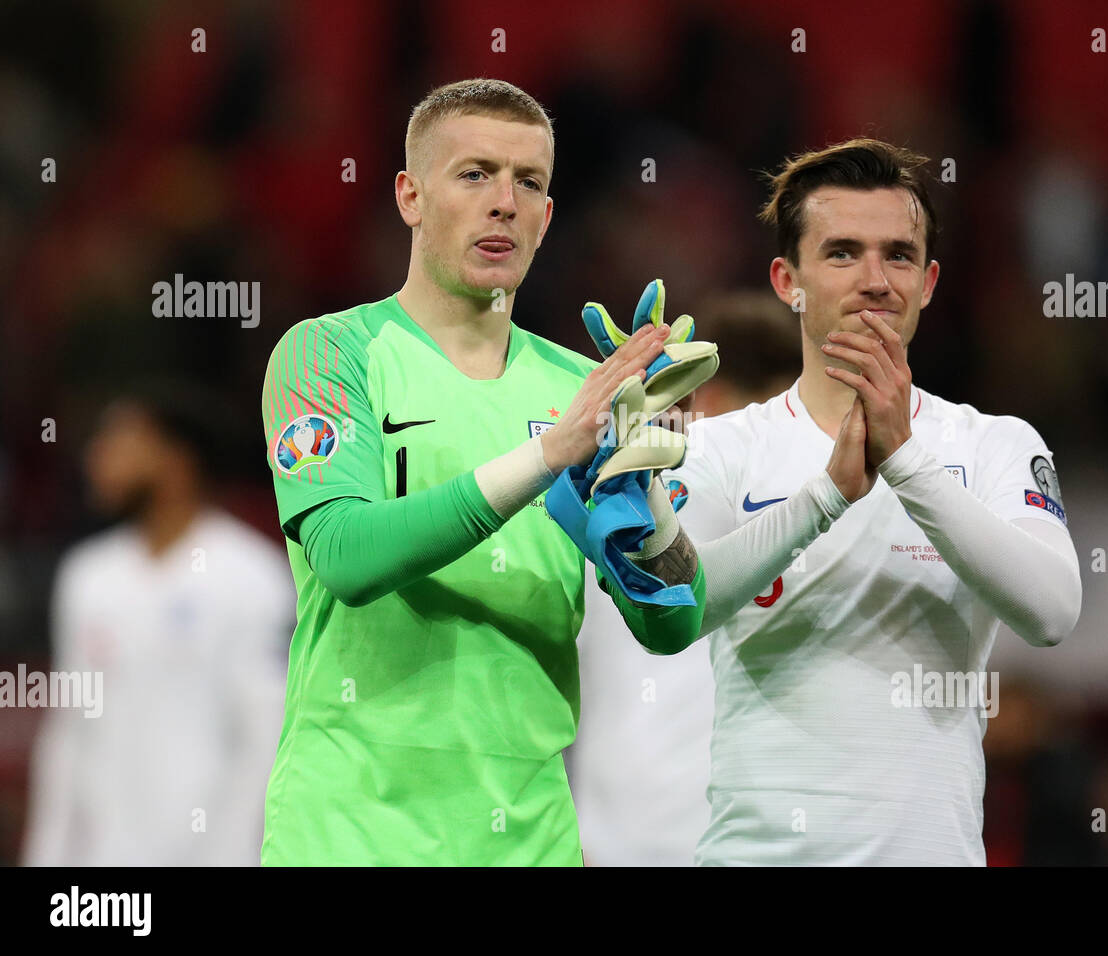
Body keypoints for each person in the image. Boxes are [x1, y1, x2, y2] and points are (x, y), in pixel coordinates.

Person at [256, 78, 705, 866]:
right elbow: (347, 557)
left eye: (528, 182)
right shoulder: (326, 353)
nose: (504, 201)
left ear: (546, 218)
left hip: (530, 841)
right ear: (410, 196)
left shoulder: (584, 390)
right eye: (474, 174)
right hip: (351, 833)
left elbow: (673, 624)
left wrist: (649, 516)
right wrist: (548, 457)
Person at [660, 138, 1083, 865]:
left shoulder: (994, 444)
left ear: (929, 281)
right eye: (842, 252)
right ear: (786, 279)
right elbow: (674, 615)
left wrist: (908, 463)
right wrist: (825, 497)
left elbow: (1052, 612)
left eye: (898, 255)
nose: (875, 279)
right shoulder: (718, 450)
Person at [566, 292, 802, 866]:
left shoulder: (612, 492)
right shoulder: (648, 491)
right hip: (645, 831)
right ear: (717, 402)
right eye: (773, 415)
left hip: (643, 827)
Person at [23, 385, 293, 866]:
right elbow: (69, 735)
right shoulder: (89, 576)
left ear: (176, 458)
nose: (96, 457)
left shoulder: (251, 576)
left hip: (213, 853)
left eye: (118, 440)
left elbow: (266, 739)